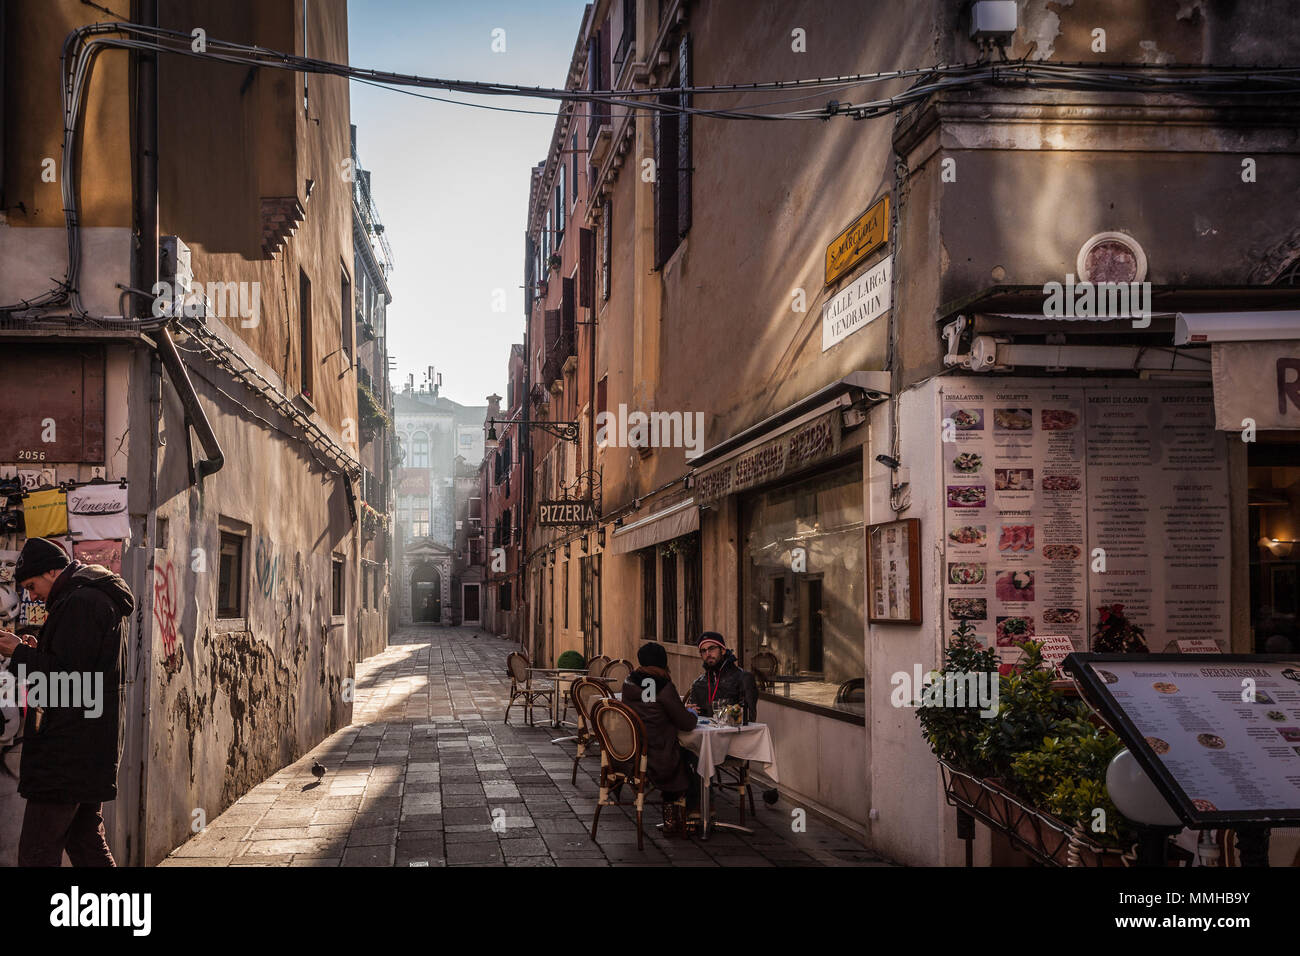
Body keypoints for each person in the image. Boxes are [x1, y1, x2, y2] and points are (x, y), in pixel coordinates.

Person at [0, 537, 134, 867]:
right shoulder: (85, 598)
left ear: (51, 571)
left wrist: (18, 654)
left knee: (36, 852)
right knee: (86, 844)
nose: (31, 596)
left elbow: (67, 683)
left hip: (67, 755)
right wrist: (36, 652)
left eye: (31, 586)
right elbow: (76, 669)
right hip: (84, 750)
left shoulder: (81, 603)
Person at [619, 642, 699, 834]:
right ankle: (690, 814)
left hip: (632, 753)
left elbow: (650, 708)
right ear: (663, 662)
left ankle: (674, 817)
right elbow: (686, 723)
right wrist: (691, 712)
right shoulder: (664, 686)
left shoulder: (629, 682)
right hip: (659, 754)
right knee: (694, 756)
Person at [687, 632, 758, 722]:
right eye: (703, 651)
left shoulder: (743, 678)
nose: (708, 654)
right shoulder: (698, 683)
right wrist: (688, 712)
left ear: (723, 650)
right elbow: (692, 719)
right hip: (706, 735)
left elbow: (748, 718)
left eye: (711, 648)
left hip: (734, 734)